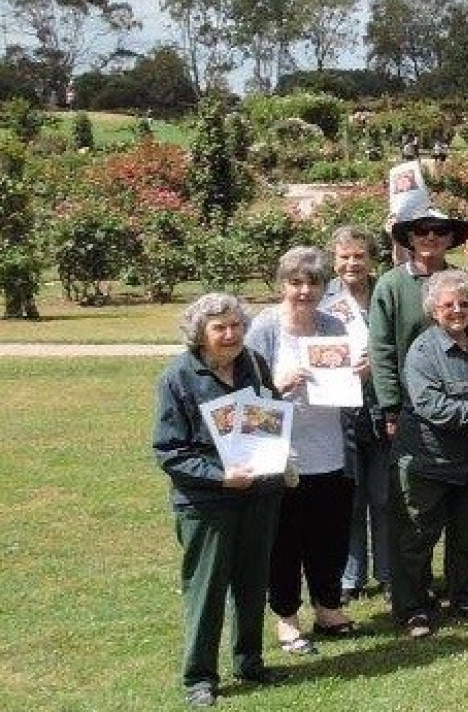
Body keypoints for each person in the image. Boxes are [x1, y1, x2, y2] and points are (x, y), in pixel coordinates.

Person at [154, 292, 287, 708]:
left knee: (252, 583)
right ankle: (199, 677)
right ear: (200, 334)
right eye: (220, 328)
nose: (231, 335)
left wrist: (274, 448)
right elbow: (169, 451)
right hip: (206, 504)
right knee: (206, 590)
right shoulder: (178, 377)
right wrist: (220, 477)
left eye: (236, 326)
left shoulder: (254, 364)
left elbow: (269, 414)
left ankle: (250, 662)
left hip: (259, 495)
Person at [246, 247, 364, 654]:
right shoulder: (264, 328)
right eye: (295, 282)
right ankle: (287, 618)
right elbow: (245, 394)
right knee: (284, 541)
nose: (304, 291)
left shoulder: (333, 324)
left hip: (330, 451)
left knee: (328, 536)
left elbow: (347, 384)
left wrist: (357, 374)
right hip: (282, 455)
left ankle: (328, 608)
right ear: (282, 284)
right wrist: (277, 386)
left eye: (313, 283)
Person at [393, 269, 468, 639]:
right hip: (430, 460)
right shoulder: (422, 351)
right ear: (434, 310)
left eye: (464, 303)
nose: (458, 310)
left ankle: (463, 597)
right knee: (417, 539)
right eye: (448, 305)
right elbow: (434, 407)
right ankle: (413, 608)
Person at [368, 206, 468, 600]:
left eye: (439, 231)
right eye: (421, 231)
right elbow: (381, 351)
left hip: (459, 409)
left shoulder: (462, 283)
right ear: (409, 238)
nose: (430, 238)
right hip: (411, 411)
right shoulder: (391, 285)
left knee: (462, 508)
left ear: (450, 238)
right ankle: (414, 589)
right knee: (414, 507)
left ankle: (461, 587)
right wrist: (390, 407)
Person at [320, 223, 386, 602]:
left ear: (371, 259)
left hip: (382, 408)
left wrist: (377, 366)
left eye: (359, 256)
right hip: (338, 411)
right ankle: (350, 577)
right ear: (333, 260)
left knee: (384, 496)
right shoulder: (323, 298)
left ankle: (388, 573)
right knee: (351, 496)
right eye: (344, 256)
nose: (352, 263)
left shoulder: (384, 291)